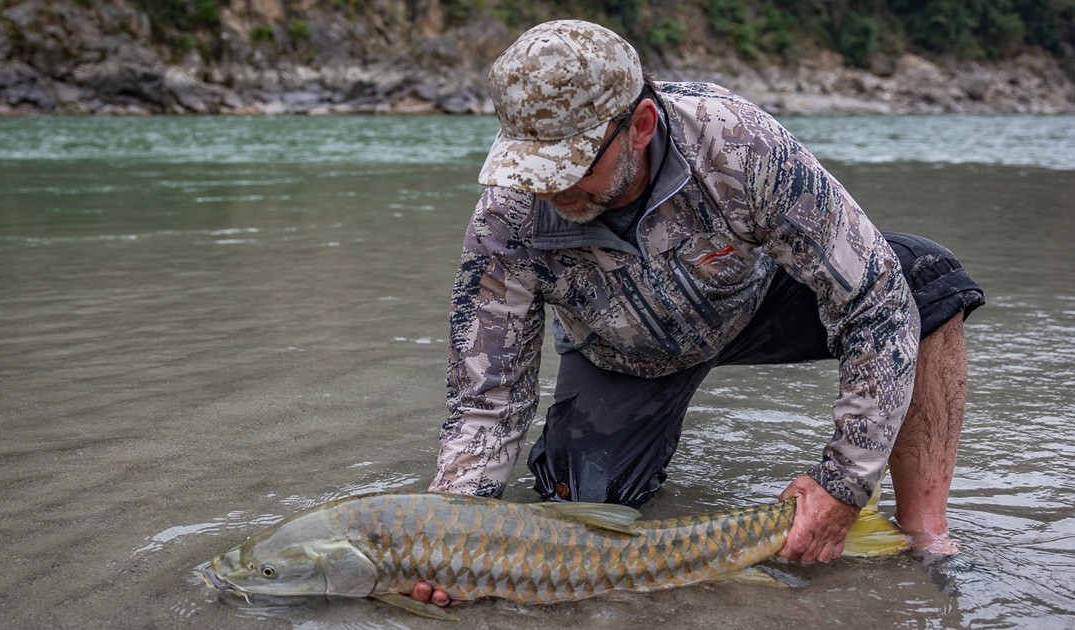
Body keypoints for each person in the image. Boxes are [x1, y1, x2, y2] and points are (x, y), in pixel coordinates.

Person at [412, 19, 984, 607]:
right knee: (578, 508)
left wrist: (843, 482)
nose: (549, 189)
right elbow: (487, 396)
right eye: (531, 168)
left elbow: (872, 299)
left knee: (922, 279)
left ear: (639, 126)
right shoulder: (504, 219)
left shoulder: (737, 143)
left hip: (754, 303)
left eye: (572, 167)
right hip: (623, 354)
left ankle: (925, 533)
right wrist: (454, 534)